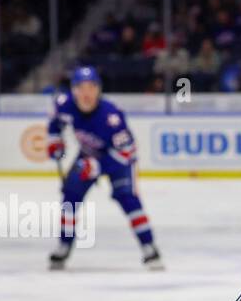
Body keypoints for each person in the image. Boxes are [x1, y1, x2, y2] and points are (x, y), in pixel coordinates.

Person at [46, 66, 162, 270]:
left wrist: (98, 166)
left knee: (128, 199)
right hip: (88, 155)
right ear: (73, 90)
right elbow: (55, 124)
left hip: (116, 160)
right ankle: (64, 245)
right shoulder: (64, 105)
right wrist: (55, 142)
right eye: (81, 87)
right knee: (70, 197)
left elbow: (129, 152)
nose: (86, 93)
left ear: (99, 90)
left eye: (91, 87)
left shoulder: (111, 117)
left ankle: (149, 247)